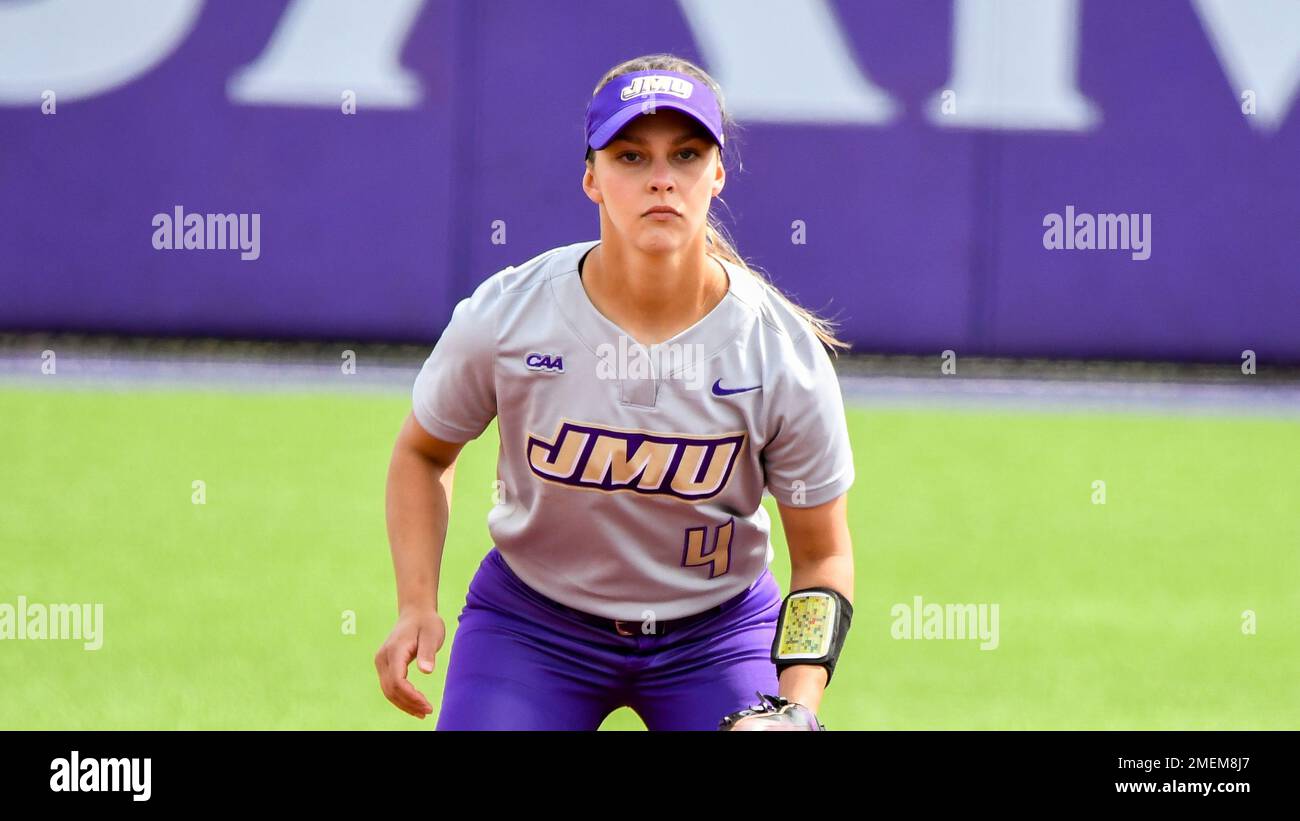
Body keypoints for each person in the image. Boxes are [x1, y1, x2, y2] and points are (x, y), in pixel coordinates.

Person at [375, 54, 856, 731]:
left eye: (686, 154)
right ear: (591, 178)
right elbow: (424, 453)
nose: (662, 179)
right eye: (631, 156)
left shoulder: (778, 349)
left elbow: (823, 557)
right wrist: (415, 603)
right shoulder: (511, 316)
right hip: (533, 625)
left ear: (718, 173)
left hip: (716, 633)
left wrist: (795, 706)